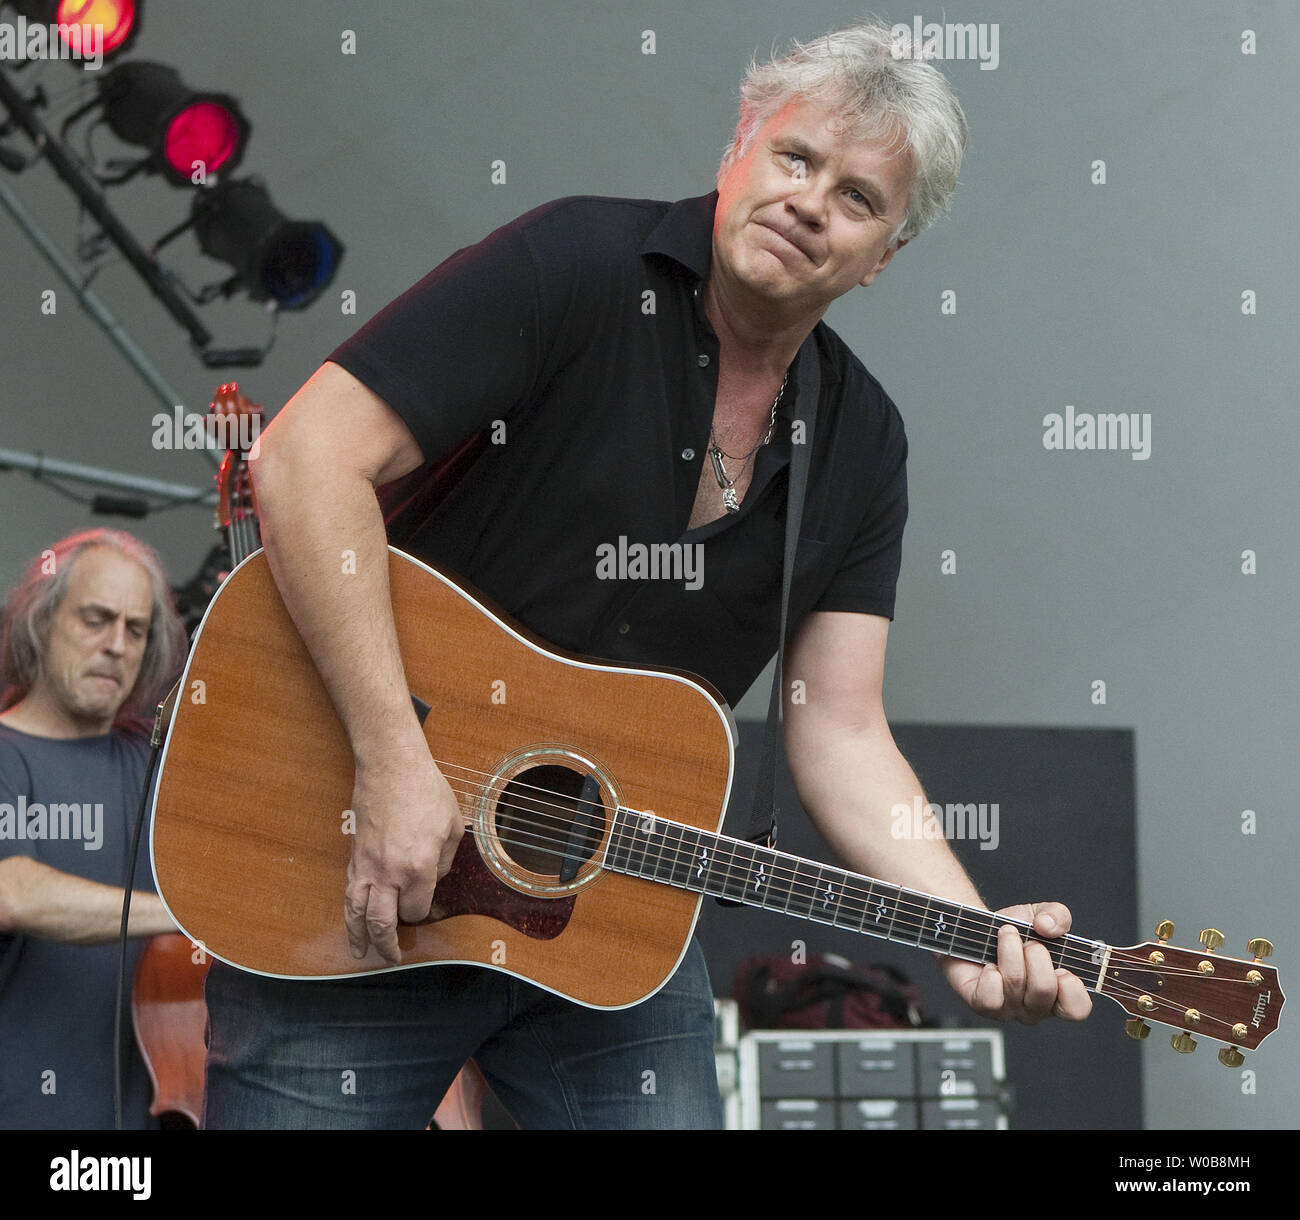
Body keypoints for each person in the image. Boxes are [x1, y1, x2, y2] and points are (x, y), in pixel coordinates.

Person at [204, 20, 1092, 1131]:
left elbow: (841, 730)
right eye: (795, 157)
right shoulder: (571, 264)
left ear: (883, 260)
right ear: (737, 149)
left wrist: (970, 928)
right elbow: (302, 459)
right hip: (336, 865)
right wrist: (392, 759)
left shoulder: (864, 441)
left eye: (859, 199)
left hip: (603, 921)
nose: (811, 201)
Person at [0, 529, 186, 1129]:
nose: (116, 646)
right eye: (96, 619)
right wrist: (191, 915)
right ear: (42, 621)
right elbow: (13, 893)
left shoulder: (156, 764)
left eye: (135, 630)